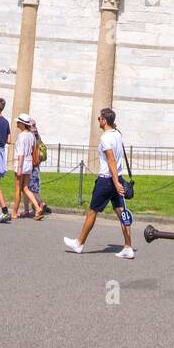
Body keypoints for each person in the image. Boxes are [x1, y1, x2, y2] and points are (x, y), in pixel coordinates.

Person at [64, 108, 134, 258]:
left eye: (99, 118)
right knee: (122, 212)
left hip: (107, 179)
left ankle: (79, 243)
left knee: (92, 211)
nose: (98, 121)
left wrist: (115, 182)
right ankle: (128, 247)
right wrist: (118, 181)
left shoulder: (105, 138)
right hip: (117, 177)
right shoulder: (117, 134)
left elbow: (111, 161)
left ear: (104, 121)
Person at [12, 114, 44, 222]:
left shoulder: (22, 136)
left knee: (18, 188)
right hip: (29, 163)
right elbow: (33, 149)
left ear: (22, 124)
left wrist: (19, 167)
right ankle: (37, 207)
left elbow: (20, 153)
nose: (17, 123)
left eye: (18, 122)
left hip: (22, 163)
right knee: (25, 188)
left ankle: (14, 212)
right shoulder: (31, 135)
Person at [19, 117, 49, 217]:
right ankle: (30, 208)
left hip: (30, 165)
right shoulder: (36, 134)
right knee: (30, 188)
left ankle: (39, 205)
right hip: (36, 165)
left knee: (27, 188)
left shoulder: (29, 134)